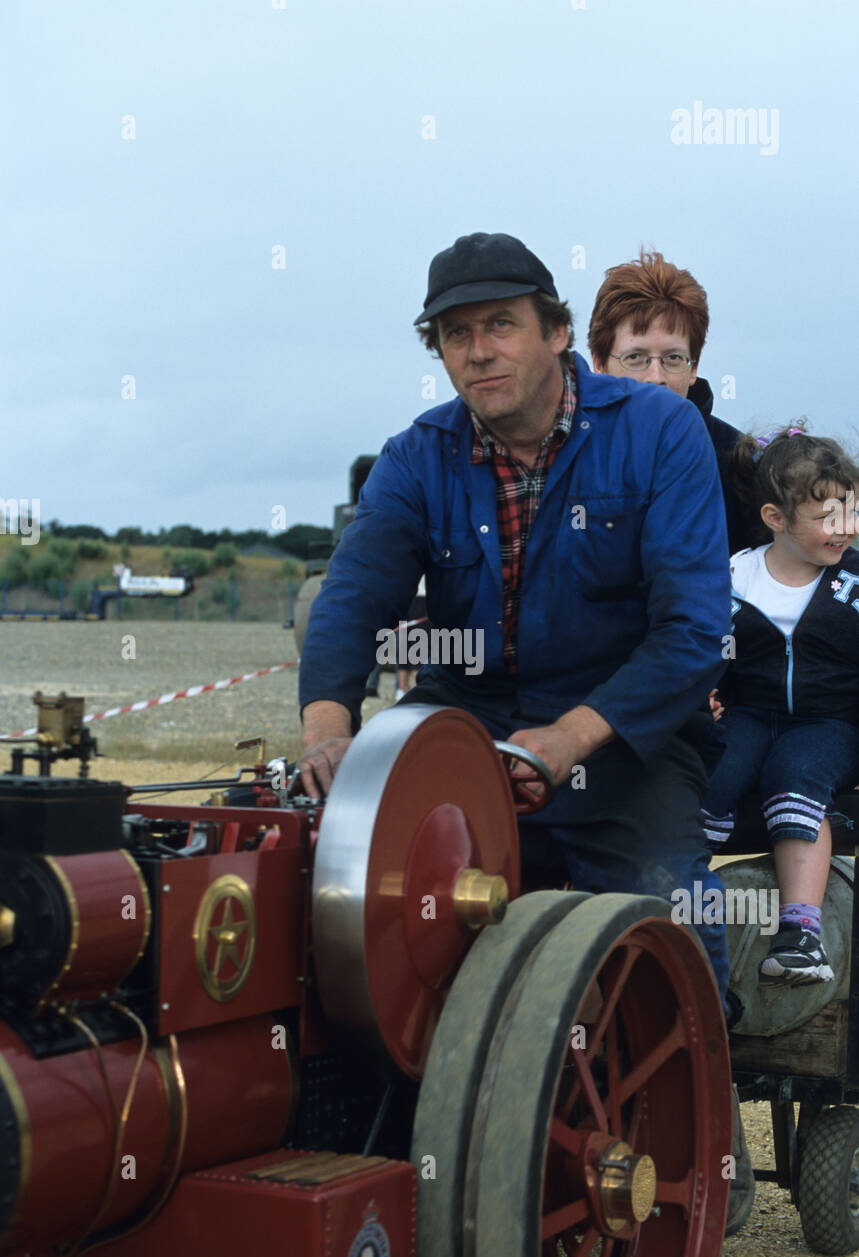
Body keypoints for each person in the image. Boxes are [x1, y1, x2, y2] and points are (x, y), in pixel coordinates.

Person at [298, 230, 732, 1008]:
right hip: (465, 732)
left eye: (499, 324)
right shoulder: (415, 456)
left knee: (673, 939)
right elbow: (354, 596)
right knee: (344, 913)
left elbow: (692, 633)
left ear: (557, 333)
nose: (476, 351)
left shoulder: (661, 433)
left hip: (626, 747)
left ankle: (689, 1097)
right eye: (454, 335)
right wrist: (327, 727)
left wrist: (570, 738)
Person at [704, 426, 859, 984]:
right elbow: (701, 649)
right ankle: (680, 902)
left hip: (830, 722)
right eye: (827, 516)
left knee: (794, 778)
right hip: (751, 713)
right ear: (775, 518)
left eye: (851, 511)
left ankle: (801, 933)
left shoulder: (855, 583)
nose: (845, 528)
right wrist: (706, 693)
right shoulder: (734, 578)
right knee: (711, 774)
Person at [588, 250, 752, 553]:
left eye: (673, 358)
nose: (656, 377)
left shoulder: (743, 468)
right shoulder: (561, 457)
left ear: (695, 366)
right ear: (598, 363)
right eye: (635, 357)